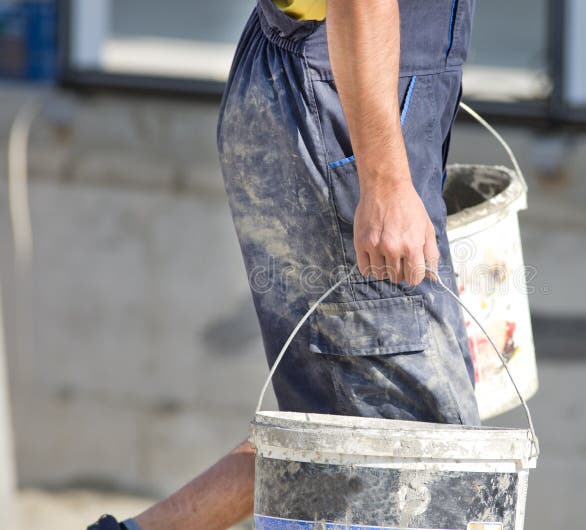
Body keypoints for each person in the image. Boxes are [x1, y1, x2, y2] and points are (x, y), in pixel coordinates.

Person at [89, 0, 477, 528]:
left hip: (322, 81)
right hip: (341, 102)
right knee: (419, 462)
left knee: (337, 429)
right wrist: (385, 180)